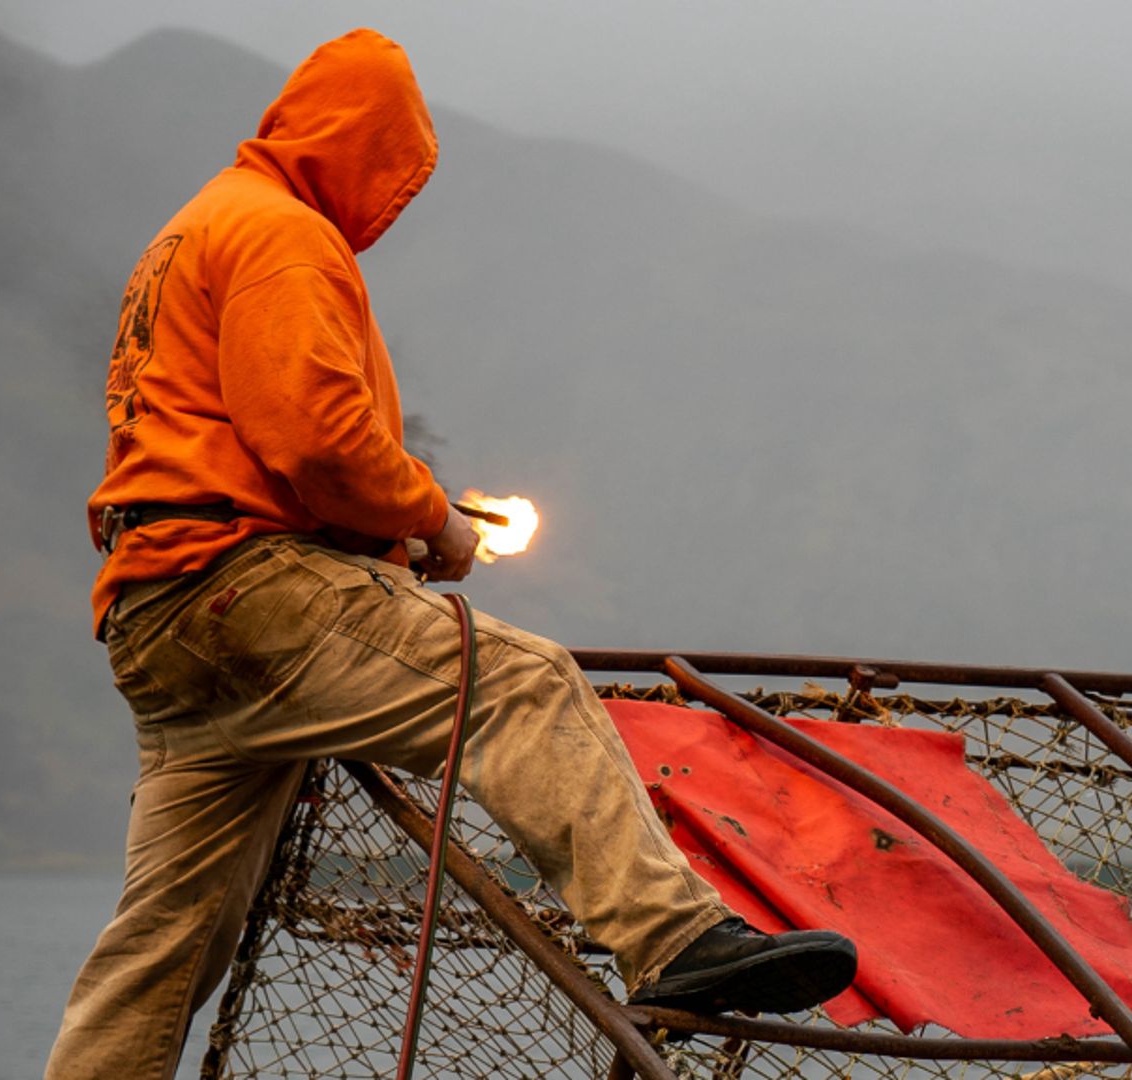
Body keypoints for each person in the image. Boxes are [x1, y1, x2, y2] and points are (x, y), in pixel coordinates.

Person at [47, 29, 855, 1079]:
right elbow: (317, 441)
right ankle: (674, 943)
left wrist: (387, 533)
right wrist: (432, 520)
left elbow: (241, 442)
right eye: (393, 168)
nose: (394, 197)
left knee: (165, 941)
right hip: (241, 589)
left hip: (158, 615)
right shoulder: (281, 234)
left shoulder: (193, 231)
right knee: (519, 681)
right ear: (356, 143)